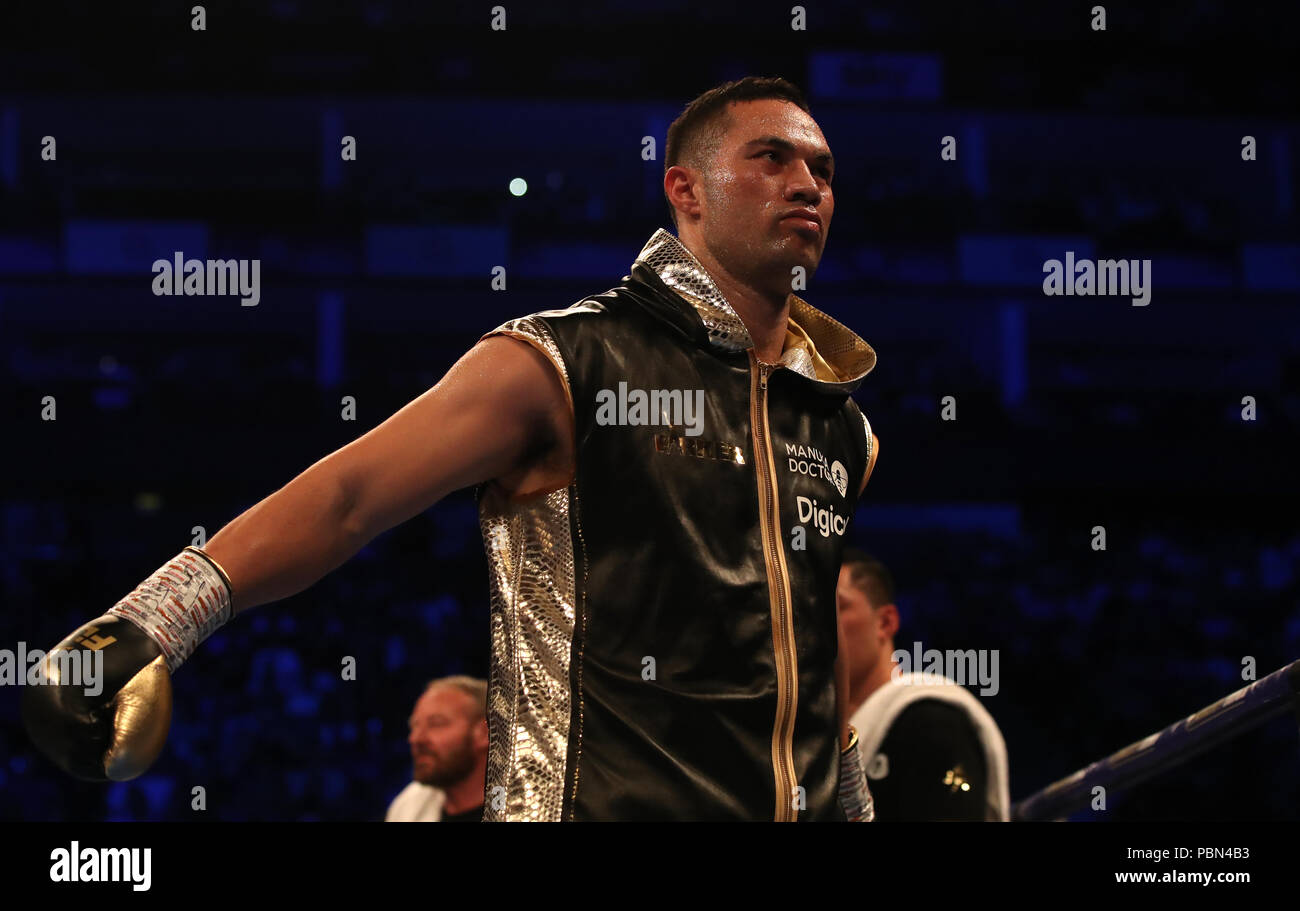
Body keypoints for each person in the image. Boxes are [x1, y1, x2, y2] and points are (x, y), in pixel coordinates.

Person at [24, 76, 880, 821]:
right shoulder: (566, 360)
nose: (806, 183)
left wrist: (852, 796)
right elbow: (350, 495)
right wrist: (152, 621)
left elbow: (803, 643)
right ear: (685, 190)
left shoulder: (838, 424)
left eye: (823, 170)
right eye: (772, 158)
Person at [837, 548, 1010, 820]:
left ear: (885, 622)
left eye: (837, 606)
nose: (819, 623)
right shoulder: (806, 732)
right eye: (810, 608)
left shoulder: (933, 720)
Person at [386, 676, 489, 822]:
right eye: (414, 726)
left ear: (485, 733)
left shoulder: (525, 805)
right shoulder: (409, 806)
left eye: (436, 724)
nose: (415, 739)